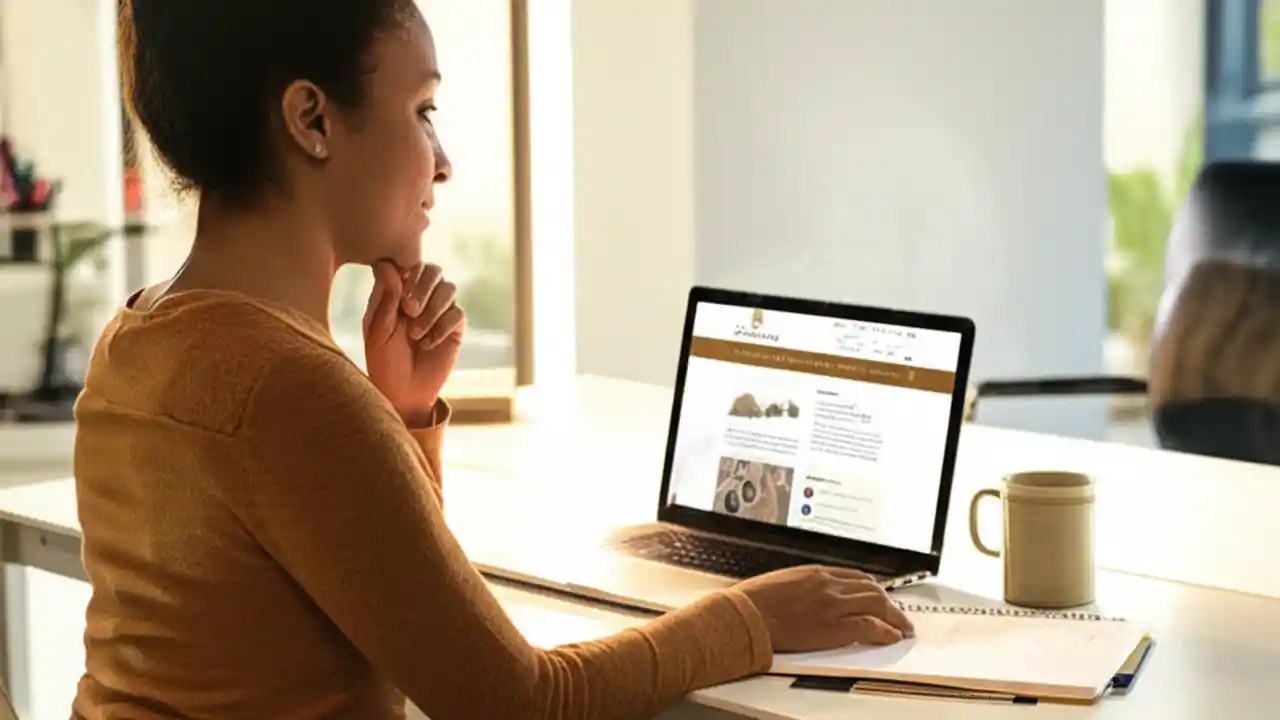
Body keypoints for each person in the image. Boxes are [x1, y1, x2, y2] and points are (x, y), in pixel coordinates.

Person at [72, 2, 915, 718]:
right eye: (423, 110)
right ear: (313, 121)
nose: (442, 161)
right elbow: (516, 702)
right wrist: (751, 618)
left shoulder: (139, 339)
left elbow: (371, 613)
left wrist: (400, 417)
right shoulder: (292, 389)